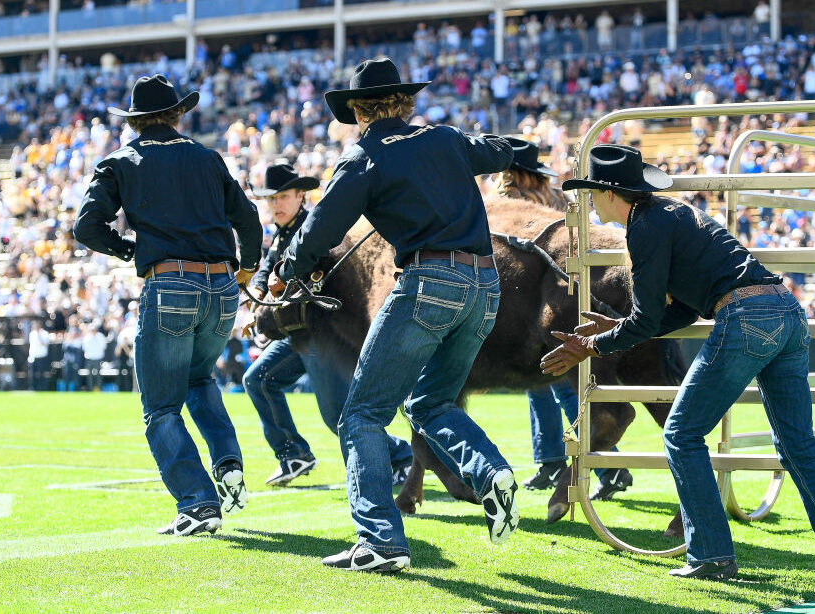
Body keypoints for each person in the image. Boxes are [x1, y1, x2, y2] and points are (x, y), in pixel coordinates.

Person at [541, 144, 815, 588]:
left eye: (592, 192)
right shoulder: (669, 216)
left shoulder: (645, 228)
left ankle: (712, 555)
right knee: (799, 446)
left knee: (681, 433)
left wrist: (593, 344)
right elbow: (674, 314)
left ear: (609, 192)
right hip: (786, 313)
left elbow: (648, 319)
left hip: (745, 318)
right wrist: (619, 327)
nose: (590, 202)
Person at [277, 58, 518, 572]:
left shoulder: (364, 155)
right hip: (484, 284)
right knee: (430, 402)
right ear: (406, 103)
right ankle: (490, 471)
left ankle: (380, 540)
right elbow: (503, 149)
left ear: (358, 110)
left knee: (362, 414)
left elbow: (319, 228)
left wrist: (284, 269)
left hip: (429, 284)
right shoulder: (445, 137)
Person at [74, 74, 263, 536]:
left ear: (135, 122)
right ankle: (228, 462)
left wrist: (129, 250)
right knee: (200, 379)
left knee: (160, 407)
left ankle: (198, 504)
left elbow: (87, 227)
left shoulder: (120, 161)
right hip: (221, 287)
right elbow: (249, 219)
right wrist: (245, 270)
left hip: (169, 284)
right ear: (178, 114)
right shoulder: (206, 157)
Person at [242, 162, 413, 487]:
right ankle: (293, 454)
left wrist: (272, 296)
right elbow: (268, 267)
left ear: (300, 196)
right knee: (258, 380)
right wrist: (260, 294)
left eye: (283, 197)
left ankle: (400, 456)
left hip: (322, 332)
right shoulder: (281, 234)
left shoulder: (314, 229)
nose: (276, 205)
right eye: (271, 199)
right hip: (295, 332)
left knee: (337, 416)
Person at [492, 136, 632, 498]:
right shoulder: (556, 199)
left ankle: (607, 462)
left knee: (562, 385)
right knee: (550, 385)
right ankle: (552, 460)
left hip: (535, 303)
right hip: (568, 292)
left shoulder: (513, 204)